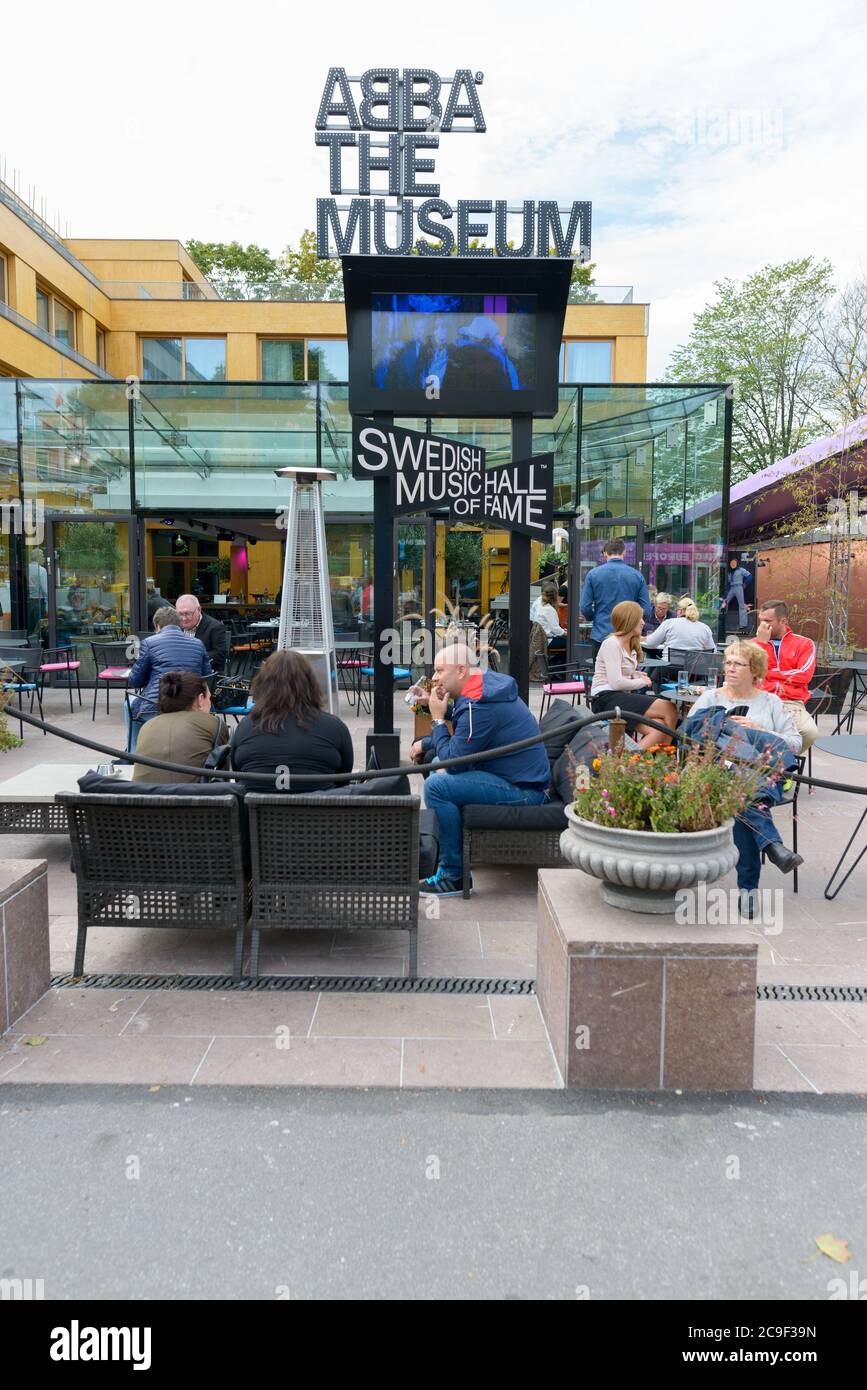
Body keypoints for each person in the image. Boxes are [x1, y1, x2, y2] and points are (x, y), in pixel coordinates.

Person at [410, 643, 551, 898]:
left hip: (524, 790)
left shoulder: (479, 705)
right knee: (434, 763)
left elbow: (453, 762)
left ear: (461, 670)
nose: (434, 677)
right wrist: (434, 708)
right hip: (511, 774)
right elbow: (469, 731)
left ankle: (454, 875)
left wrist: (437, 719)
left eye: (440, 670)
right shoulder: (481, 687)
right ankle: (452, 858)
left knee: (436, 785)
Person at [688, 641, 803, 904]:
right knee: (744, 792)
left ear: (755, 671)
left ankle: (750, 885)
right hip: (723, 770)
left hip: (767, 773)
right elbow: (689, 735)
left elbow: (795, 742)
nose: (730, 668)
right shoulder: (711, 699)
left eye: (738, 664)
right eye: (728, 662)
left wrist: (757, 730)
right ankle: (765, 860)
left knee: (744, 793)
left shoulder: (771, 702)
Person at [230, 649, 354, 792]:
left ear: (263, 685)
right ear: (310, 684)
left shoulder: (245, 726)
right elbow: (343, 780)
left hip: (257, 812)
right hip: (318, 812)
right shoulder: (334, 727)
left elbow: (238, 775)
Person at [590, 600, 678, 749]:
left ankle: (630, 766)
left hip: (619, 697)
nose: (643, 622)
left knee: (659, 728)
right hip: (605, 698)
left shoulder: (629, 644)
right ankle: (667, 759)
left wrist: (636, 674)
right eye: (640, 618)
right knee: (669, 708)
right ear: (629, 620)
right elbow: (616, 682)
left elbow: (624, 673)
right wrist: (642, 682)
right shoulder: (611, 643)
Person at [126, 607, 212, 740]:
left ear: (158, 626)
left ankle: (132, 753)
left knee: (128, 704)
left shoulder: (149, 643)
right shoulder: (198, 644)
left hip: (155, 706)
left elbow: (135, 681)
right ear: (179, 624)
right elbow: (206, 677)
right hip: (192, 706)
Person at [133, 671, 228, 784]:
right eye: (209, 698)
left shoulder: (147, 726)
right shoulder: (214, 723)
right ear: (201, 699)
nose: (210, 704)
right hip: (190, 799)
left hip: (141, 797)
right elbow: (223, 773)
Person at [753, 600, 818, 751]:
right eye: (760, 620)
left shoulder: (804, 643)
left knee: (809, 732)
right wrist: (761, 644)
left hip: (791, 702)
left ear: (783, 621)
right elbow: (751, 673)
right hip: (759, 698)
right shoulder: (753, 644)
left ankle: (784, 763)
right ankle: (767, 765)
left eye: (767, 621)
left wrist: (768, 674)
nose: (762, 625)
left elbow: (804, 675)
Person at [579, 537, 651, 657]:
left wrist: (595, 617)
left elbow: (584, 607)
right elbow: (646, 611)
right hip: (628, 637)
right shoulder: (637, 576)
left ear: (605, 554)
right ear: (624, 553)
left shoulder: (593, 574)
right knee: (627, 673)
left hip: (601, 635)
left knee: (601, 673)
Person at [175, 593, 230, 674]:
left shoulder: (215, 627)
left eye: (188, 614)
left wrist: (192, 659)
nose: (184, 618)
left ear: (199, 610)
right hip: (177, 673)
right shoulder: (175, 626)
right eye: (180, 614)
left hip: (204, 675)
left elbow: (219, 655)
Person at [642, 597, 716, 653]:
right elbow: (713, 651)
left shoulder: (669, 623)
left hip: (668, 667)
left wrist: (642, 638)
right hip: (693, 669)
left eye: (677, 609)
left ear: (680, 611)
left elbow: (651, 644)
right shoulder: (705, 628)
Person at [534, 589, 567, 661]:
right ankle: (553, 664)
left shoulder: (542, 607)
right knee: (571, 643)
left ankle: (554, 665)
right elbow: (556, 629)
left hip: (542, 639)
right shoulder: (550, 610)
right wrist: (566, 633)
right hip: (548, 640)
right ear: (555, 598)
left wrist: (563, 631)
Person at [721, 557, 752, 630]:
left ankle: (743, 624)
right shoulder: (730, 572)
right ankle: (722, 621)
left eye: (734, 562)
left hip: (739, 587)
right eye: (732, 563)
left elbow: (750, 576)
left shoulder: (741, 570)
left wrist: (745, 583)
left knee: (741, 605)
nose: (733, 564)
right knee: (725, 602)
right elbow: (729, 583)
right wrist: (727, 592)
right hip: (732, 587)